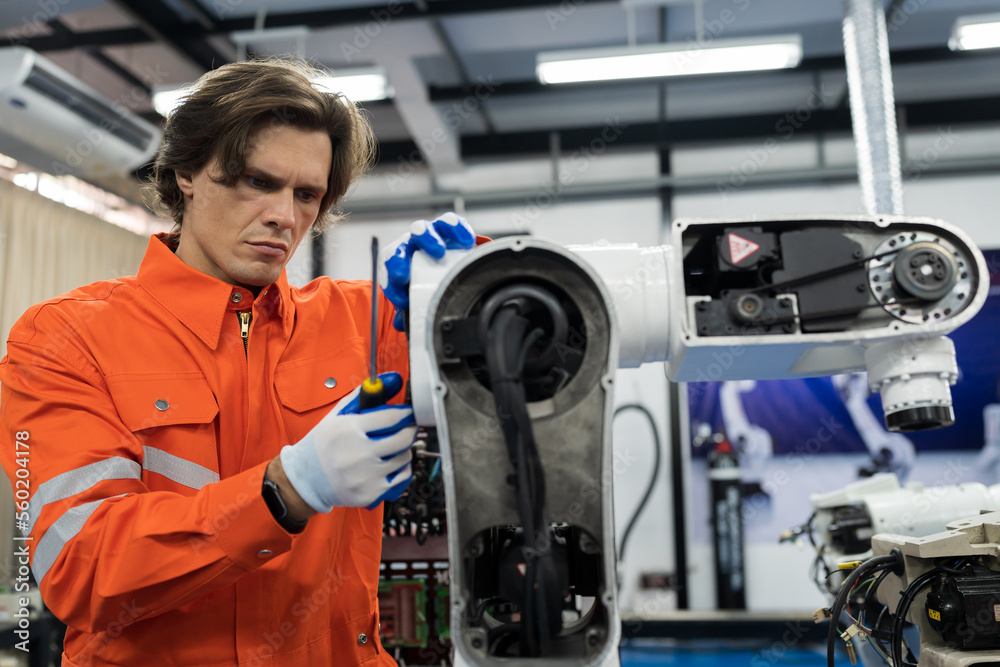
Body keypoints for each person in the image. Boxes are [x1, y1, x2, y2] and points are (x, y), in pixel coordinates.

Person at [0, 57, 475, 666]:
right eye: (257, 182)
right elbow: (82, 568)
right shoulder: (66, 338)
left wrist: (473, 278)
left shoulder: (365, 322)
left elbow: (532, 340)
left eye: (307, 194)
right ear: (188, 171)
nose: (285, 215)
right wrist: (286, 491)